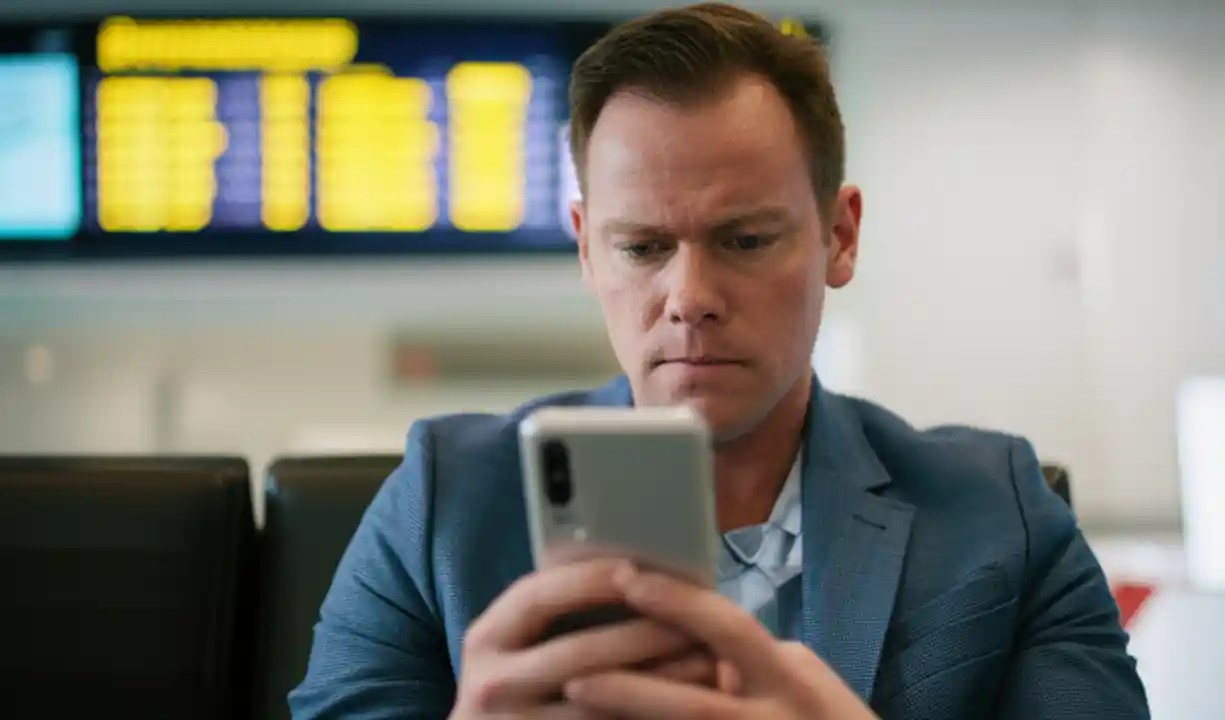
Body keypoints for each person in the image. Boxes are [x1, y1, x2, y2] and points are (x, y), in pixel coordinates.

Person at [290, 4, 1149, 718]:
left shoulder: (1000, 513)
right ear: (588, 250)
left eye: (743, 239)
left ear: (839, 238)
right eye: (642, 247)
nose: (689, 293)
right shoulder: (442, 504)